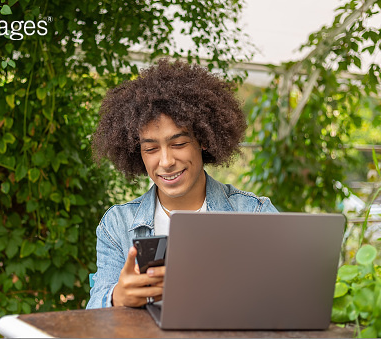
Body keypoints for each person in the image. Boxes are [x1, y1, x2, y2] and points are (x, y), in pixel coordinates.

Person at [86, 58, 277, 309]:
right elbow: (94, 314)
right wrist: (116, 298)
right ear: (137, 153)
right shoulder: (117, 226)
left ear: (204, 140)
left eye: (178, 144)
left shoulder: (255, 214)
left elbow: (287, 297)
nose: (165, 161)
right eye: (151, 148)